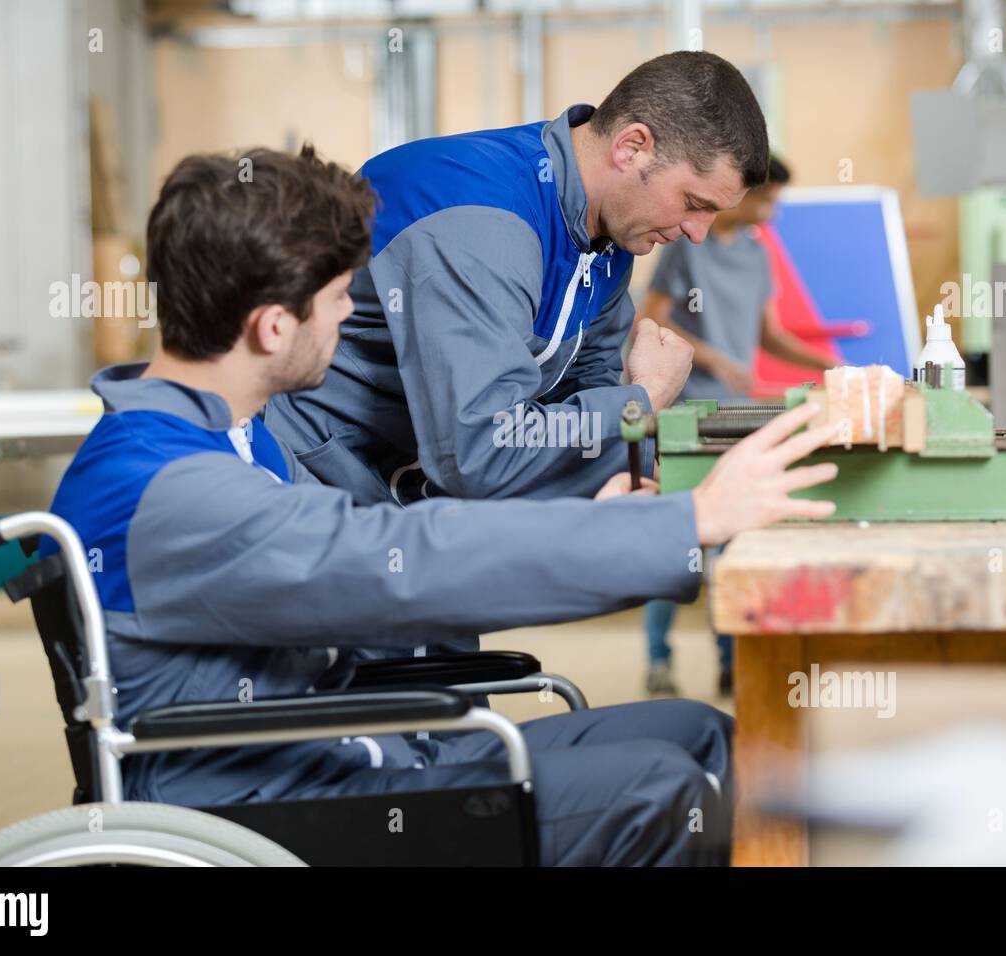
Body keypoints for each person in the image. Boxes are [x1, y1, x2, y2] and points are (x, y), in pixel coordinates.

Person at [43, 145, 840, 865]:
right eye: (336, 298)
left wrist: (600, 508)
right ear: (273, 325)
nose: (352, 313)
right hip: (274, 805)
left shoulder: (228, 439)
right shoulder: (171, 487)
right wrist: (683, 525)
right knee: (658, 790)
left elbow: (402, 540)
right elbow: (414, 561)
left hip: (347, 752)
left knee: (705, 732)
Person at [262, 50, 769, 506]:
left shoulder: (609, 240)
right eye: (693, 204)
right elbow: (480, 453)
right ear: (632, 146)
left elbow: (581, 403)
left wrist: (651, 455)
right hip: (304, 485)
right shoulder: (480, 220)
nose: (699, 234)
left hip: (401, 494)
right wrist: (641, 404)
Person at [637, 157, 833, 697]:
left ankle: (729, 660)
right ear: (741, 192)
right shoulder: (684, 247)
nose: (770, 213)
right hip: (685, 410)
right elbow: (649, 320)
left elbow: (768, 335)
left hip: (735, 416)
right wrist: (716, 359)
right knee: (679, 539)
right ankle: (659, 658)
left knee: (732, 541)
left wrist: (827, 364)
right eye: (766, 200)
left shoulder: (756, 253)